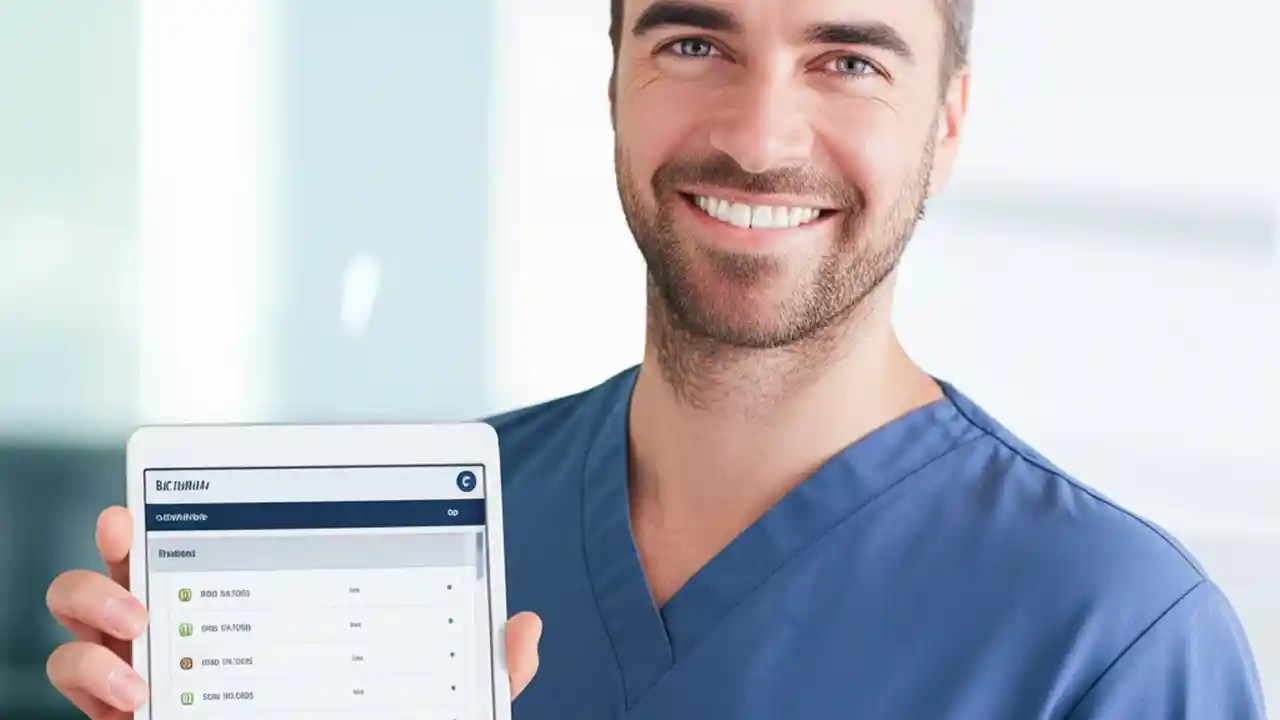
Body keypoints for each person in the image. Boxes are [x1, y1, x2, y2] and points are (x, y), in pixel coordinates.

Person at [45, 0, 1267, 717]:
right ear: (614, 85)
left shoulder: (1114, 640)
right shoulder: (425, 536)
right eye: (693, 42)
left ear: (945, 125)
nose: (759, 137)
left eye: (846, 60)